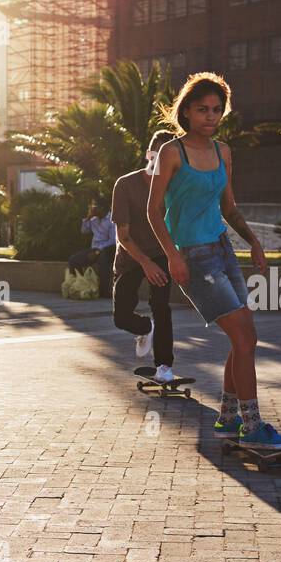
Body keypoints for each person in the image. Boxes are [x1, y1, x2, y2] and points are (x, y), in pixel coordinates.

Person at [147, 72, 281, 449]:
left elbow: (229, 206)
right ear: (187, 112)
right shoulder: (171, 153)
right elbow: (152, 211)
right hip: (194, 258)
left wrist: (253, 243)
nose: (210, 117)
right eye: (202, 110)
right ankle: (252, 426)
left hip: (222, 250)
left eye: (216, 110)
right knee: (243, 340)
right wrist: (172, 256)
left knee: (247, 339)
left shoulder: (223, 152)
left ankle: (228, 420)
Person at [111, 130, 176, 380]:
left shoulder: (174, 188)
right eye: (157, 154)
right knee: (121, 317)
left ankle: (164, 366)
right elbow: (123, 236)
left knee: (161, 306)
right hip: (131, 255)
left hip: (162, 253)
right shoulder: (126, 185)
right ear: (148, 154)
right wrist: (145, 264)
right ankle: (143, 327)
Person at [80, 203, 116, 298]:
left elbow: (113, 240)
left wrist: (98, 251)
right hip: (94, 249)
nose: (93, 209)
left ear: (103, 208)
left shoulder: (111, 220)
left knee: (103, 260)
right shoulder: (93, 220)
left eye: (96, 207)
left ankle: (104, 291)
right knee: (74, 260)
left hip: (108, 249)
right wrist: (87, 218)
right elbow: (84, 231)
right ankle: (81, 287)